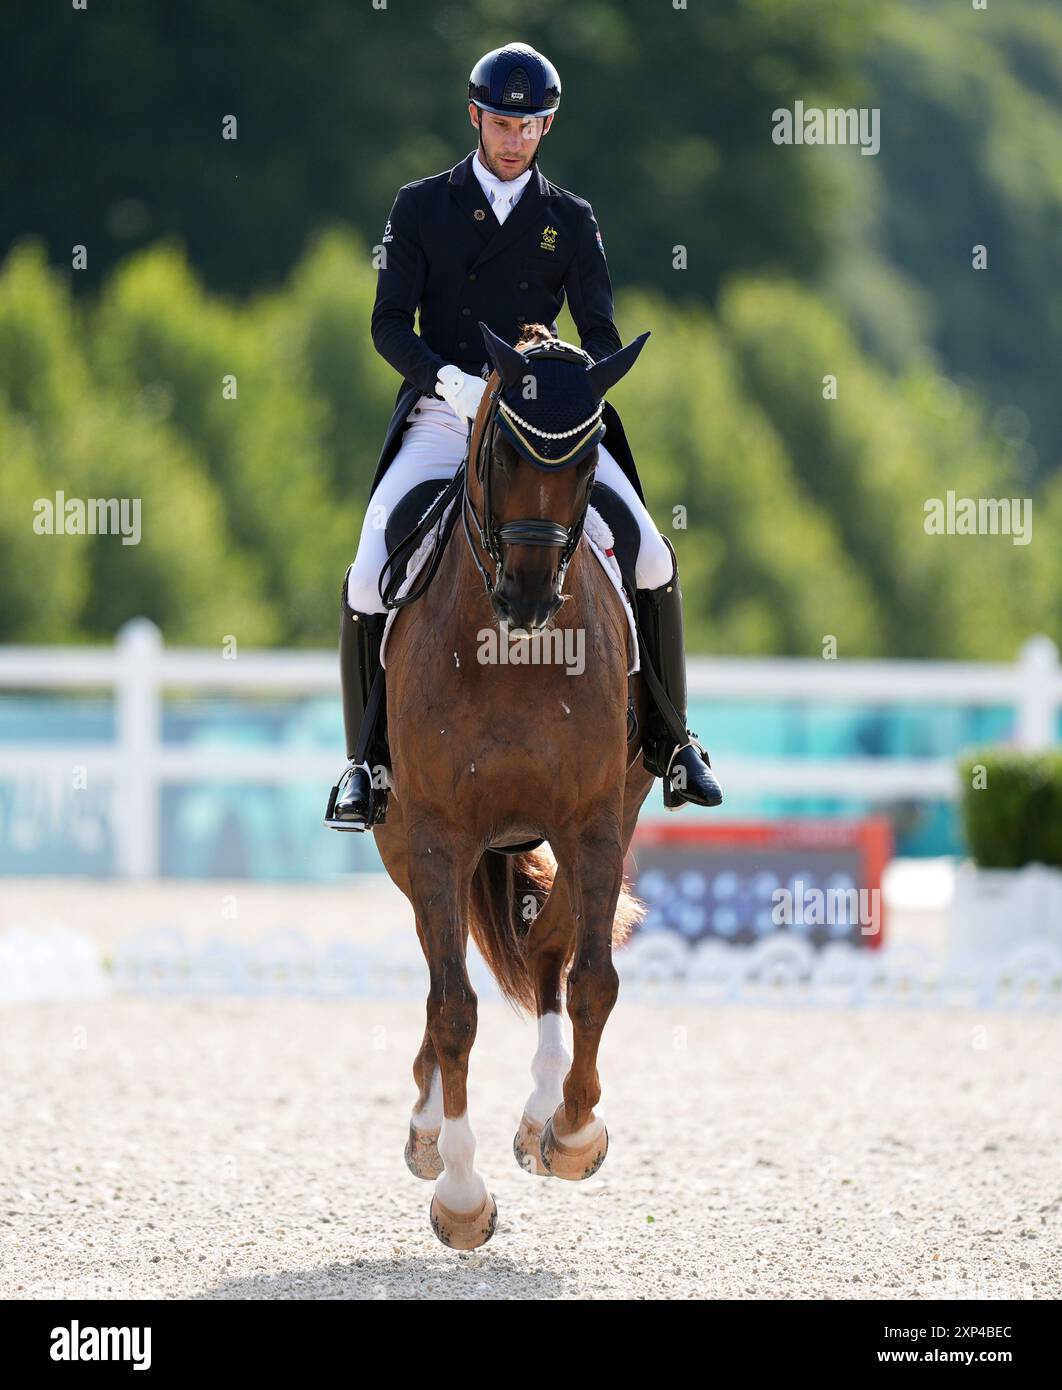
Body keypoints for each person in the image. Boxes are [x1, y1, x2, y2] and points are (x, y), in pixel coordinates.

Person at [325, 41, 723, 830]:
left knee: (650, 553)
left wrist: (566, 375)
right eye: (502, 123)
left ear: (548, 126)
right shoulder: (420, 207)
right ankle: (366, 765)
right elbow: (386, 327)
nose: (514, 138)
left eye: (530, 125)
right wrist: (454, 383)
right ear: (476, 118)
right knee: (369, 572)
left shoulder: (570, 219)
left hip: (549, 415)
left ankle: (675, 743)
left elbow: (604, 334)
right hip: (449, 410)